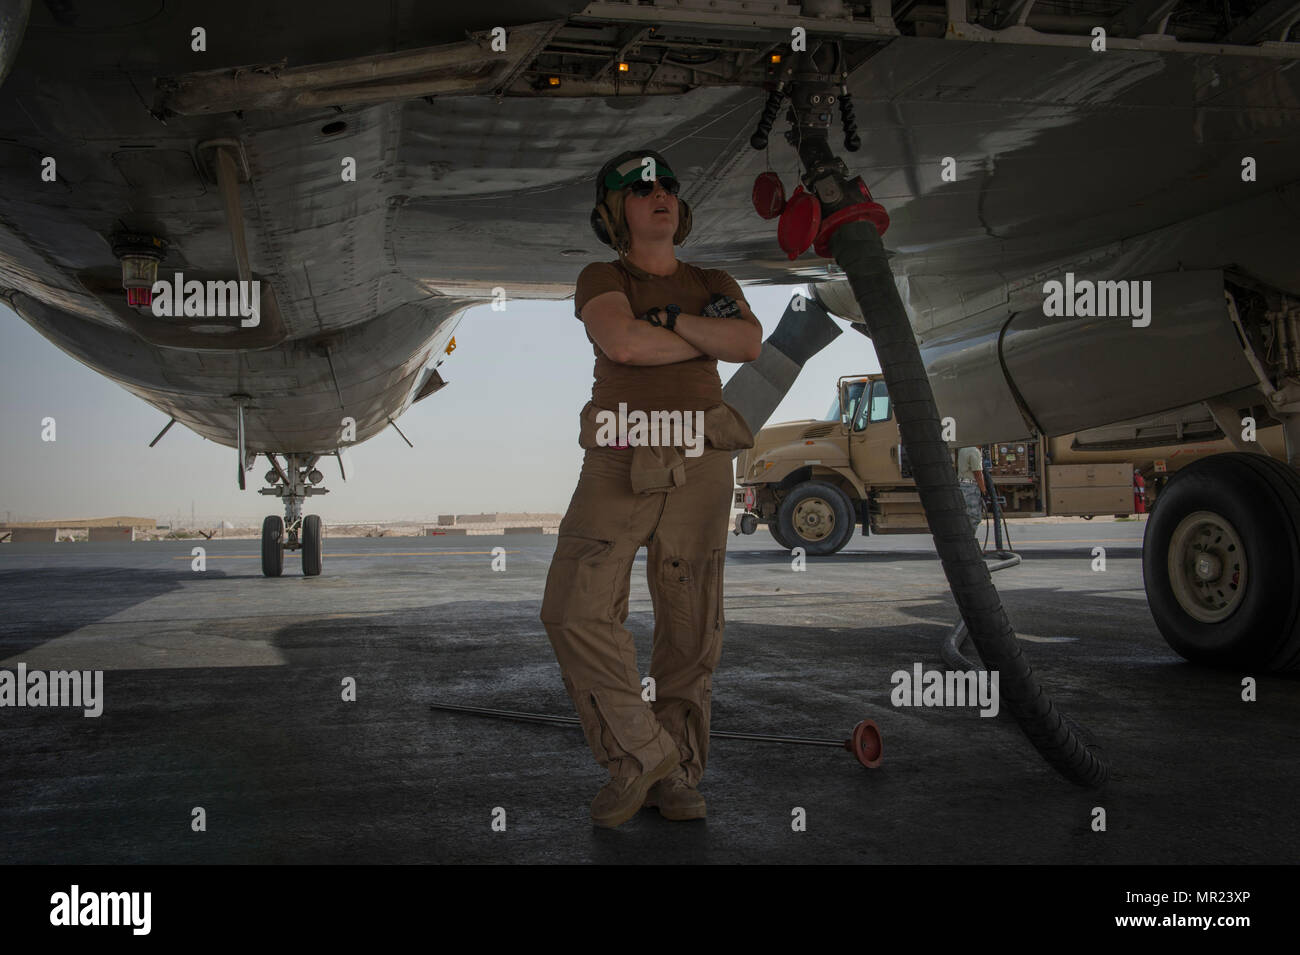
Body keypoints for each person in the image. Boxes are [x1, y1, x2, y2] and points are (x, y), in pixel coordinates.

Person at [539, 148, 762, 828]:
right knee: (573, 607)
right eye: (640, 189)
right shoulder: (602, 276)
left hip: (701, 460)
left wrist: (665, 324)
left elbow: (748, 342)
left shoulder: (713, 277)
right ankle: (644, 751)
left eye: (667, 183)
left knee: (690, 630)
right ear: (615, 212)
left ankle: (679, 778)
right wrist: (699, 338)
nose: (658, 193)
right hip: (620, 456)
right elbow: (624, 346)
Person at [956, 446, 987, 534]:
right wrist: (983, 490)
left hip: (962, 484)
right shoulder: (975, 451)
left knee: (965, 515)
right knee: (974, 517)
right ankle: (968, 538)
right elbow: (978, 473)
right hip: (971, 487)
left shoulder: (962, 449)